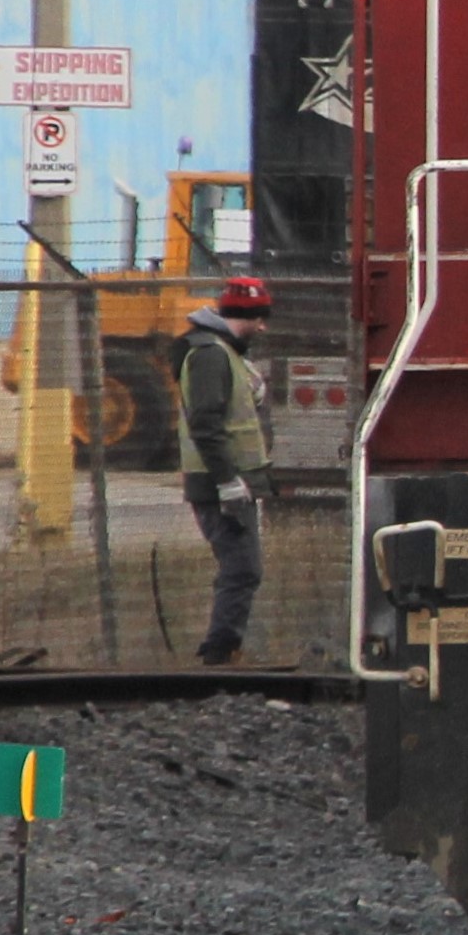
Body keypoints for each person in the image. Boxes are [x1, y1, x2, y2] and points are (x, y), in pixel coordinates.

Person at [175, 279, 274, 666]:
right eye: (259, 318)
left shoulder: (221, 354)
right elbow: (205, 424)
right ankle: (220, 654)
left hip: (231, 482)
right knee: (242, 568)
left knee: (242, 567)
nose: (264, 327)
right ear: (246, 316)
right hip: (223, 485)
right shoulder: (211, 356)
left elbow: (225, 414)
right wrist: (227, 481)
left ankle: (223, 649)